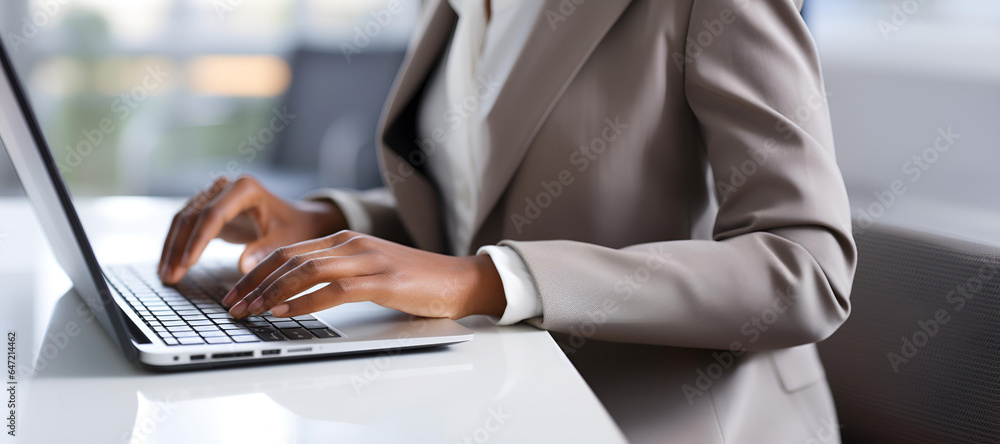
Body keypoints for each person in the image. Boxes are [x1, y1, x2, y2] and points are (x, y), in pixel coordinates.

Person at [159, 0, 856, 442]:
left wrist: (487, 281)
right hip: (488, 401)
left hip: (666, 416)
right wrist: (318, 221)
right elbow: (472, 213)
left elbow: (806, 271)